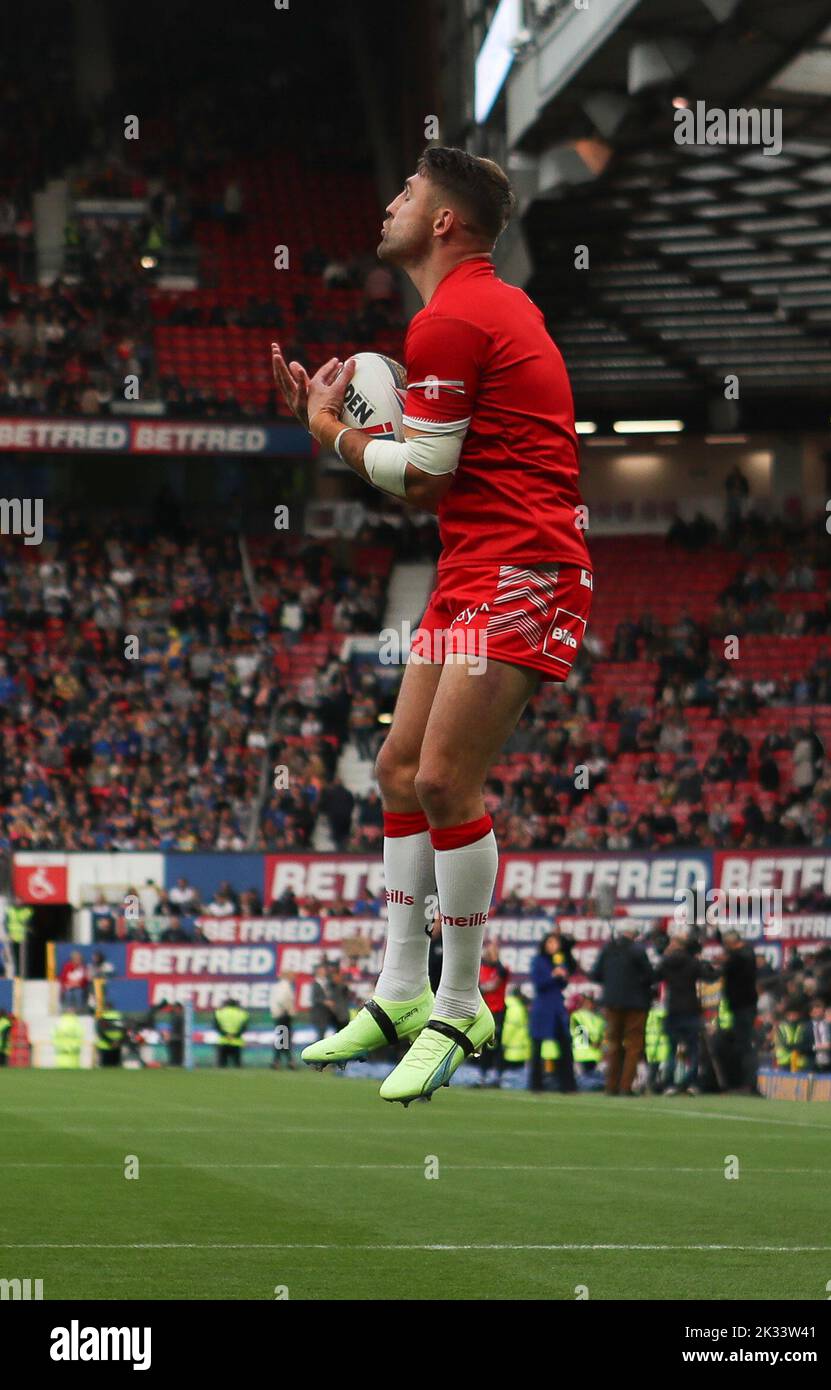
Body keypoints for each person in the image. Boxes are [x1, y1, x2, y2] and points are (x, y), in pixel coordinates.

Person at [274, 145, 593, 1105]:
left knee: (449, 778)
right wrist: (351, 436)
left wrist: (331, 433)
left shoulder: (456, 318)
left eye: (407, 193)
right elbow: (438, 486)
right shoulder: (467, 312)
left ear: (444, 220)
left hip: (525, 566)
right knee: (397, 771)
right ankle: (400, 987)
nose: (390, 202)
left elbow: (425, 475)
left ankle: (462, 1001)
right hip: (471, 565)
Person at [591, 923, 653, 1096]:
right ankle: (626, 1086)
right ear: (635, 934)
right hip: (635, 1003)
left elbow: (596, 974)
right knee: (633, 1045)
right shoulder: (638, 950)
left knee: (613, 1044)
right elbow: (649, 976)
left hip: (611, 1002)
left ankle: (610, 1086)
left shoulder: (607, 949)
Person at [654, 934, 717, 1096]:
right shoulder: (693, 962)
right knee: (693, 1050)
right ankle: (691, 1083)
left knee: (671, 1049)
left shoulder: (666, 962)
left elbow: (653, 977)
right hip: (690, 1009)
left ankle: (669, 1084)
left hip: (673, 1008)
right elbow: (710, 977)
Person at [529, 934, 576, 1094]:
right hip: (543, 1009)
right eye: (550, 942)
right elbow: (538, 983)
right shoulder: (538, 961)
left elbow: (563, 983)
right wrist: (553, 976)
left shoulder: (559, 959)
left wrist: (562, 975)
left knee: (565, 1046)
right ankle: (535, 1085)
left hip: (557, 1008)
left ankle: (568, 1085)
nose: (554, 945)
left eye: (556, 942)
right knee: (537, 1048)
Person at [720, 931, 760, 1095]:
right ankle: (746, 1084)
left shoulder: (741, 957)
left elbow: (731, 965)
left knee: (744, 1046)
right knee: (743, 1045)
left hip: (743, 1006)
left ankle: (747, 1084)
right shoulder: (746, 954)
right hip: (744, 1005)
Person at [478, 941, 510, 1085]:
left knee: (496, 1045)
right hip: (485, 1011)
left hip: (497, 1011)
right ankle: (483, 1076)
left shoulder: (502, 970)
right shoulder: (482, 968)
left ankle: (497, 1076)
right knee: (483, 1045)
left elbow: (490, 986)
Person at [569, 992, 605, 1077]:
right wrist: (592, 1043)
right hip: (581, 1056)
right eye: (588, 1001)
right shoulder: (577, 1015)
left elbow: (603, 1034)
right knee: (584, 1080)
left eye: (592, 1001)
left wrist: (600, 1043)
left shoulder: (599, 1018)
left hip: (596, 1056)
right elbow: (580, 1030)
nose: (591, 1004)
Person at [269, 970, 297, 1069]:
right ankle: (284, 1061)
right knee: (284, 1039)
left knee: (282, 1039)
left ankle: (279, 1061)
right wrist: (287, 1010)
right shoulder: (285, 986)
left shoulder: (276, 986)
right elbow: (282, 1000)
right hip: (284, 1016)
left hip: (278, 1015)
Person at [501, 988, 532, 1075]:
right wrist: (503, 1042)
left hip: (511, 1049)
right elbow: (511, 1028)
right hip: (515, 1050)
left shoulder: (510, 1006)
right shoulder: (516, 1008)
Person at [213, 998, 249, 1067]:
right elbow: (244, 1028)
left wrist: (226, 1034)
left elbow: (216, 1026)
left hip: (223, 1041)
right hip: (237, 1041)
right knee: (237, 1065)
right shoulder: (243, 1013)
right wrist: (235, 1035)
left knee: (221, 1065)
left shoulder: (219, 1013)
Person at [95, 1001, 126, 1067]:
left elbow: (101, 1032)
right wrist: (118, 1042)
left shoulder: (103, 1017)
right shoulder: (118, 1016)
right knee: (116, 1067)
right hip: (117, 1045)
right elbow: (124, 1030)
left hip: (105, 1045)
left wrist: (110, 1042)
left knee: (105, 1067)